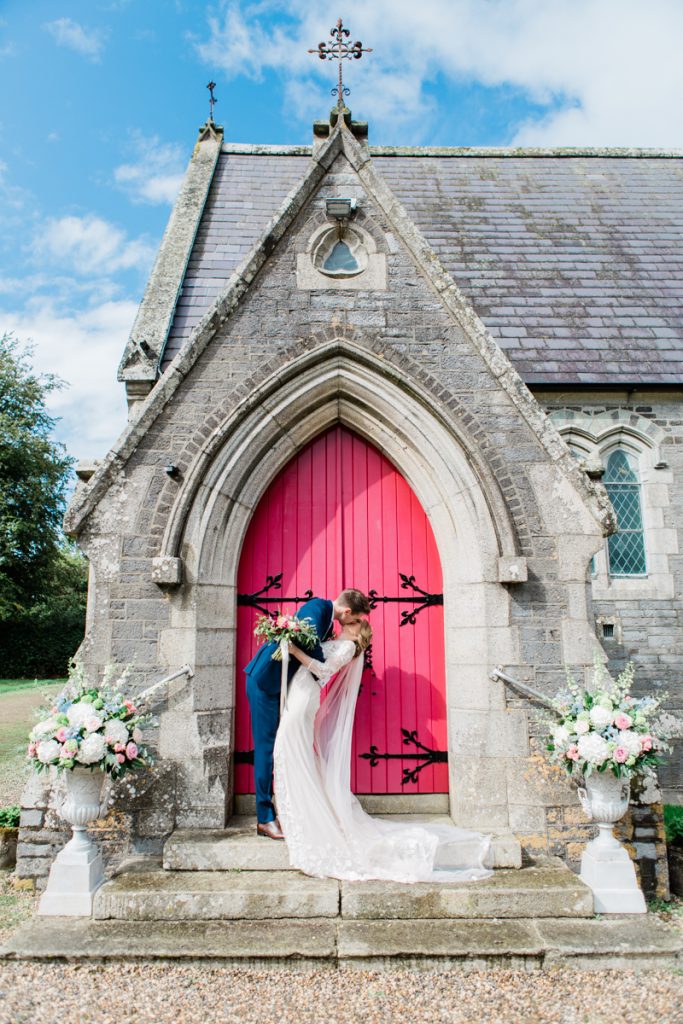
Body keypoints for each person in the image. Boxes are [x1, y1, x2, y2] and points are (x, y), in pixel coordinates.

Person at [273, 619, 492, 883]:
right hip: (300, 693)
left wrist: (295, 651)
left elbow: (322, 670)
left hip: (305, 696)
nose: (345, 622)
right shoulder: (340, 641)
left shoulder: (347, 648)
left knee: (290, 752)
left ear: (356, 629)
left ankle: (305, 820)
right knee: (291, 754)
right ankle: (299, 816)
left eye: (351, 622)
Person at [244, 588, 370, 839]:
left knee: (281, 746)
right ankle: (265, 818)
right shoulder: (319, 609)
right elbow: (305, 639)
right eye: (355, 619)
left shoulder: (328, 624)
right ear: (347, 612)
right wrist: (327, 656)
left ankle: (281, 810)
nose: (354, 624)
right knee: (267, 749)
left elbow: (310, 646)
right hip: (266, 682)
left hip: (286, 689)